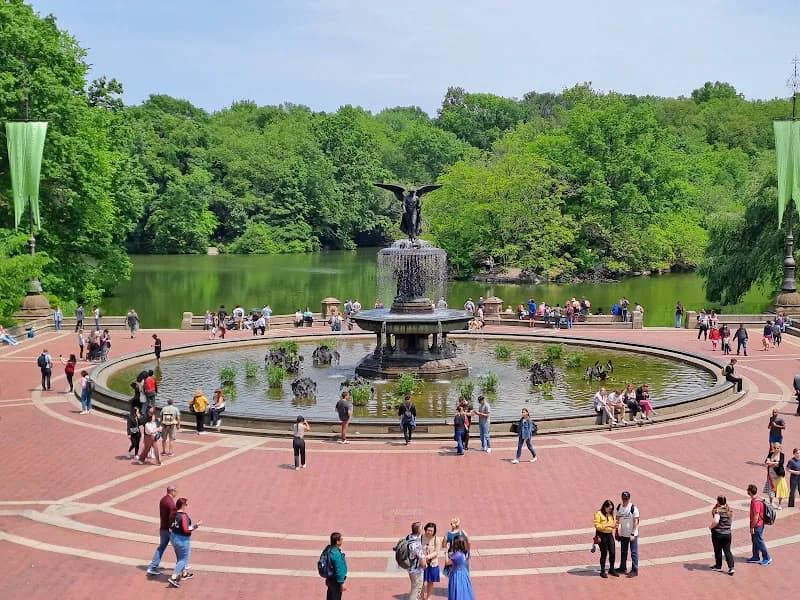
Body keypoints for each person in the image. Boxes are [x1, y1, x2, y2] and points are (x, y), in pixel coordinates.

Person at [168, 497, 201, 587]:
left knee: (179, 557)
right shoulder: (183, 516)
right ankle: (173, 577)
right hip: (182, 540)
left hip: (173, 537)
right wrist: (196, 526)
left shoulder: (173, 514)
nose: (186, 506)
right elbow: (186, 530)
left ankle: (184, 573)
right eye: (186, 504)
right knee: (183, 559)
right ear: (182, 505)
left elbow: (170, 526)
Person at [146, 484, 178, 576]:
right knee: (178, 547)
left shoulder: (163, 500)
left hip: (163, 528)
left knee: (161, 547)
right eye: (175, 491)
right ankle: (182, 564)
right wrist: (173, 528)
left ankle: (152, 567)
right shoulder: (171, 503)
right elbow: (172, 517)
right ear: (172, 491)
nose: (176, 493)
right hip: (169, 529)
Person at [746, 483, 771, 565]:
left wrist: (751, 527)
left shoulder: (756, 502)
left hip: (757, 525)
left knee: (759, 541)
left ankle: (767, 557)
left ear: (749, 492)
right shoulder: (757, 499)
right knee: (755, 540)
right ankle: (755, 556)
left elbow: (756, 516)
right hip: (759, 523)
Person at [709, 495, 735, 575]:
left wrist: (710, 527)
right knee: (727, 550)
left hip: (718, 533)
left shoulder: (718, 510)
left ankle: (718, 566)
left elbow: (716, 521)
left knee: (718, 550)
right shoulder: (729, 510)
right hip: (727, 534)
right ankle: (731, 567)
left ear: (718, 502)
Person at [616, 491, 639, 577]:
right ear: (622, 498)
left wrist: (632, 534)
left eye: (626, 498)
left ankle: (634, 570)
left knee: (633, 552)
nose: (625, 500)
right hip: (623, 534)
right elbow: (617, 519)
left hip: (632, 534)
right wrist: (616, 531)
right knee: (623, 551)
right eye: (624, 498)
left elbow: (636, 521)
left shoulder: (633, 508)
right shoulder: (619, 507)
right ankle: (622, 567)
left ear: (629, 498)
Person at [594, 499, 618, 578]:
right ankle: (602, 570)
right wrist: (607, 526)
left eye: (612, 509)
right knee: (604, 553)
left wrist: (615, 525)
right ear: (605, 507)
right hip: (602, 535)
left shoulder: (611, 515)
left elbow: (614, 524)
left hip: (609, 535)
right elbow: (597, 526)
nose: (611, 510)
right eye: (610, 508)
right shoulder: (598, 514)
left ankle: (611, 569)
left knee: (613, 552)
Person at [405, 522, 427, 600]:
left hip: (410, 568)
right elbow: (422, 560)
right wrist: (425, 565)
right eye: (421, 528)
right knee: (416, 591)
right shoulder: (416, 544)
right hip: (417, 571)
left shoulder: (408, 537)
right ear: (419, 531)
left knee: (413, 588)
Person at [325, 532, 348, 600]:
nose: (342, 539)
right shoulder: (336, 554)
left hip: (330, 579)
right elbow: (339, 570)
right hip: (336, 582)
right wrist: (341, 584)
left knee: (330, 597)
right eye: (341, 539)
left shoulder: (329, 549)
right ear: (337, 541)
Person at [421, 522, 440, 600]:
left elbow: (437, 552)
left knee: (430, 581)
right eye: (428, 530)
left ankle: (428, 597)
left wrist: (427, 557)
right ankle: (421, 596)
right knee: (421, 581)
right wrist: (422, 557)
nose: (429, 532)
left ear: (434, 531)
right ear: (425, 529)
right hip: (422, 563)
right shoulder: (421, 537)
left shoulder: (436, 539)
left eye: (431, 531)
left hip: (433, 563)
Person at [764, 442, 786, 509]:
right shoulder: (770, 454)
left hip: (779, 476)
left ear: (780, 448)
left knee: (780, 491)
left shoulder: (782, 455)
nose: (776, 449)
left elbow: (780, 463)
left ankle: (779, 504)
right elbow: (766, 462)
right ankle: (771, 503)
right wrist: (774, 463)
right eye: (775, 448)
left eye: (778, 448)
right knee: (771, 491)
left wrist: (771, 462)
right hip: (770, 475)